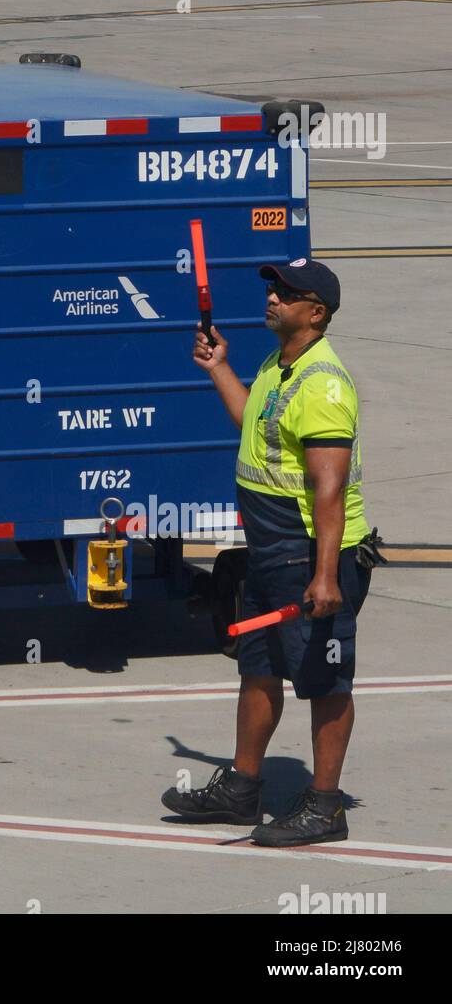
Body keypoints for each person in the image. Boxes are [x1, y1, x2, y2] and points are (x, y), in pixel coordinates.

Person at [161, 258, 383, 846]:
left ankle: (325, 807)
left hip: (312, 554)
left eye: (286, 292)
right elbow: (250, 421)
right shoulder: (278, 367)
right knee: (257, 666)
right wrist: (219, 367)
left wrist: (326, 575)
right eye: (273, 287)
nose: (272, 296)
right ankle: (243, 789)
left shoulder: (323, 384)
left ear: (317, 312)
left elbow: (329, 488)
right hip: (268, 549)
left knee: (325, 678)